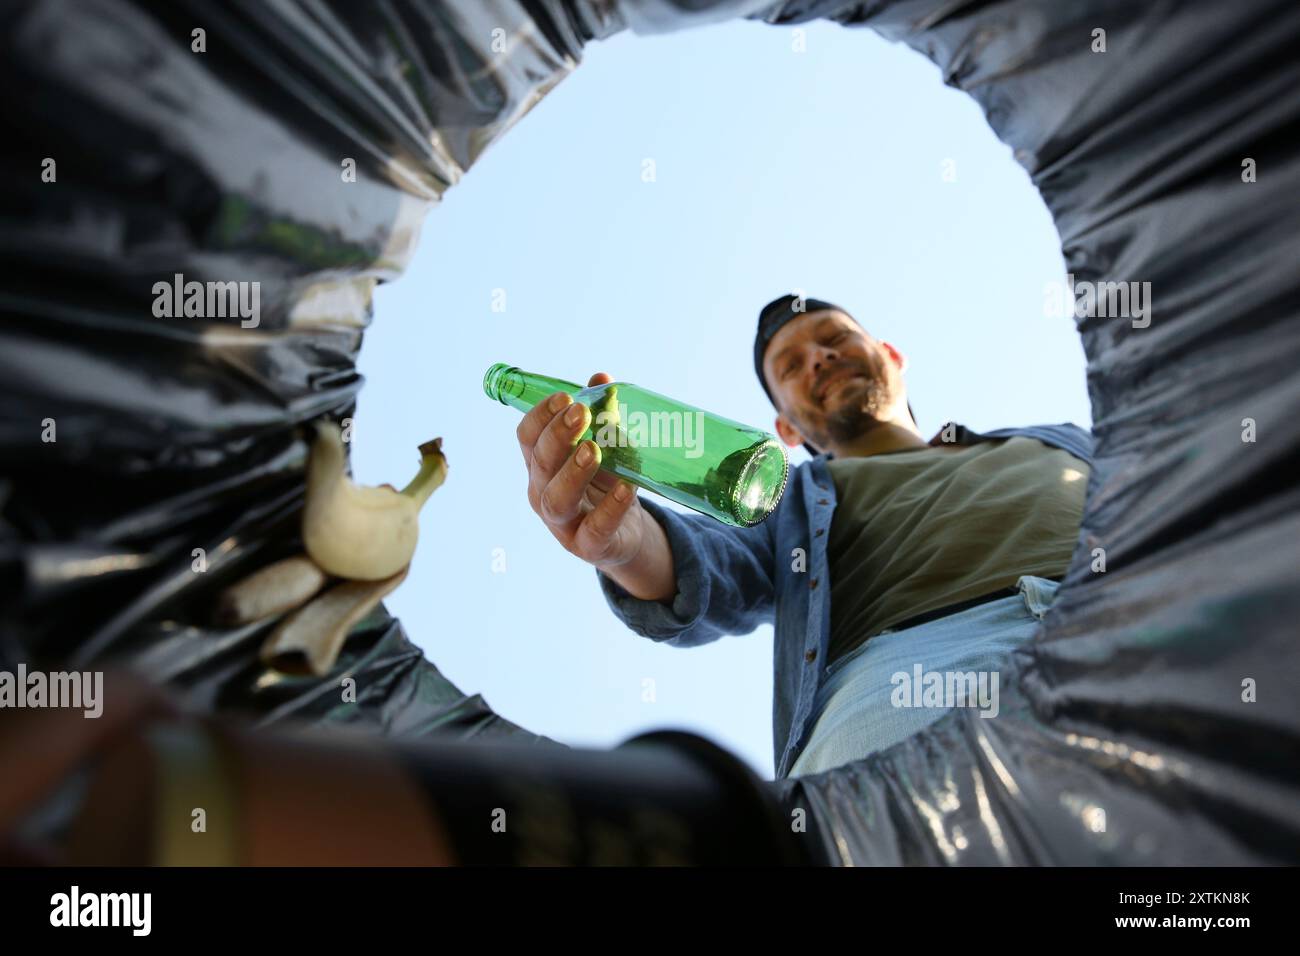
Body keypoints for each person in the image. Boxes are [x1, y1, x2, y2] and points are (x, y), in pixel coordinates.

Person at [516, 294, 1093, 780]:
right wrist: (625, 537)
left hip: (1124, 618)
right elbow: (706, 566)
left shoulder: (1055, 441)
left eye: (834, 338)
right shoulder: (790, 502)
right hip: (909, 688)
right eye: (791, 366)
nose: (818, 357)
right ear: (785, 429)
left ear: (890, 355)